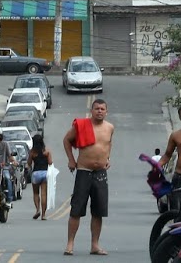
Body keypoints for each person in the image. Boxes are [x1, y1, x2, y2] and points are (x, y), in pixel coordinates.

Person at [63, 97, 115, 257]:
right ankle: (70, 244)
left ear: (106, 112)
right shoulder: (81, 125)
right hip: (84, 171)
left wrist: (108, 158)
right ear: (91, 111)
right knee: (76, 209)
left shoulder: (110, 127)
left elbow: (108, 144)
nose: (99, 111)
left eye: (102, 109)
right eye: (97, 108)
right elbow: (67, 140)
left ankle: (95, 245)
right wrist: (71, 160)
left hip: (100, 173)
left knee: (98, 211)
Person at [29, 132, 54, 220]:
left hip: (36, 173)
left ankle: (37, 210)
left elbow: (29, 163)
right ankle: (43, 215)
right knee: (44, 194)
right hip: (45, 173)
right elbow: (50, 163)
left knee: (36, 193)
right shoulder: (46, 151)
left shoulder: (32, 152)